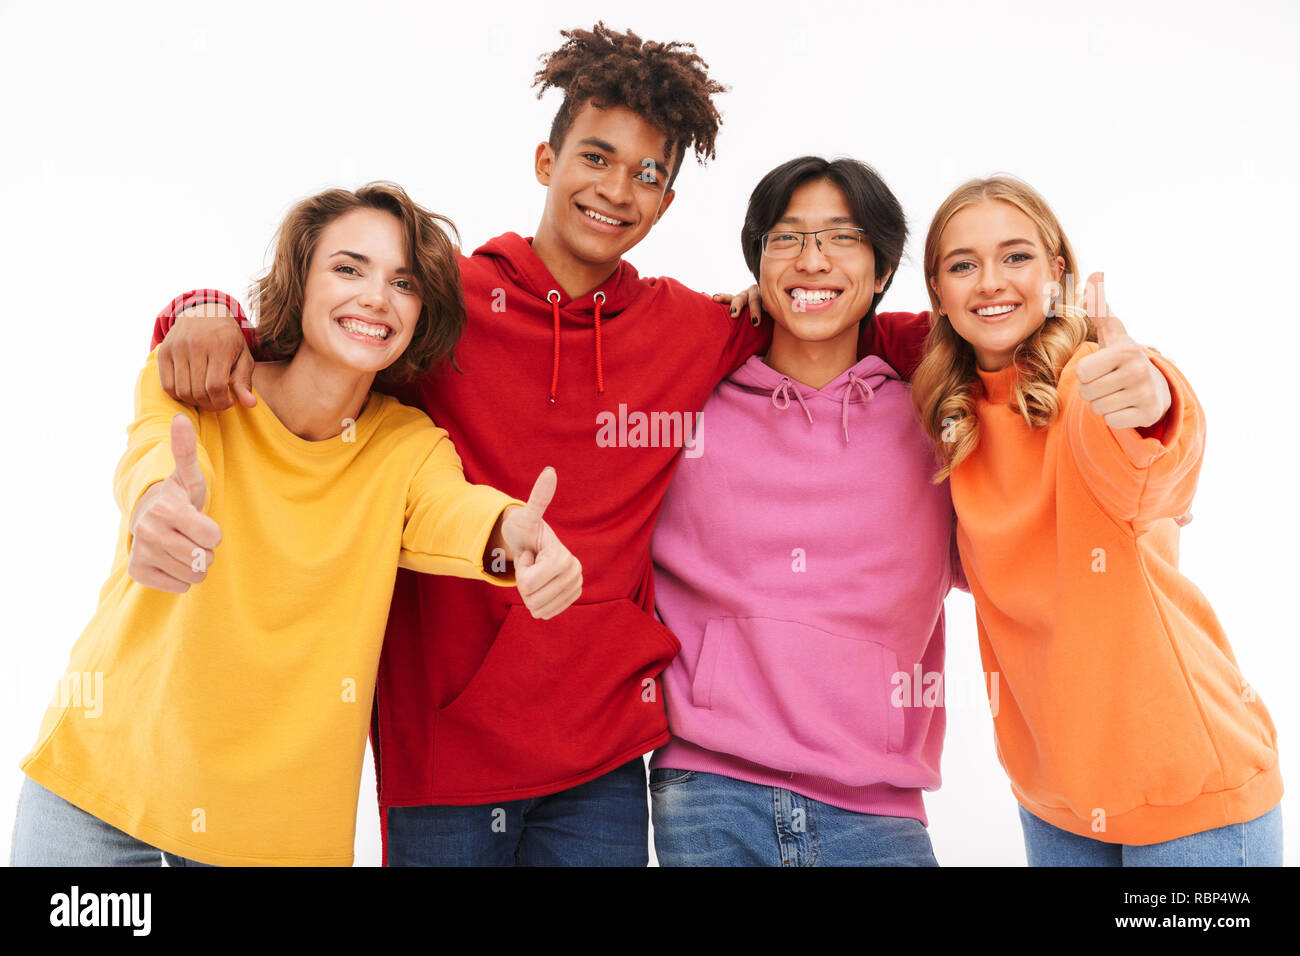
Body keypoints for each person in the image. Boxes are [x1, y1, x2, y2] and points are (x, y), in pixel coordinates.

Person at [143, 26, 933, 866]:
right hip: (442, 754)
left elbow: (844, 324)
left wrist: (1028, 337)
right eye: (595, 157)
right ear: (544, 163)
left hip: (602, 759)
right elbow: (315, 333)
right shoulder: (445, 296)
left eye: (648, 174)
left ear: (667, 203)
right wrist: (200, 309)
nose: (617, 189)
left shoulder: (690, 327)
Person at [10, 182, 581, 866]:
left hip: (270, 836)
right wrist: (157, 505)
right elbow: (150, 459)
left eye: (402, 281)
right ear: (299, 283)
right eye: (348, 268)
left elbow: (449, 512)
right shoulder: (197, 387)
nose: (375, 296)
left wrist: (512, 536)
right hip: (102, 785)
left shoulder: (406, 446)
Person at [910, 175, 1283, 865]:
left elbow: (1157, 476)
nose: (991, 282)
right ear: (938, 291)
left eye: (1016, 257)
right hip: (1055, 798)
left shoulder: (1091, 384)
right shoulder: (952, 416)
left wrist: (1153, 401)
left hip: (1187, 796)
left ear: (1057, 272)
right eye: (964, 265)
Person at [648, 157, 963, 866]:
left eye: (841, 238)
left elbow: (1017, 551)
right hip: (708, 789)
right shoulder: (689, 408)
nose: (811, 260)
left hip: (879, 804)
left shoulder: (934, 422)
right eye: (785, 239)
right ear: (758, 266)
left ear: (882, 271)